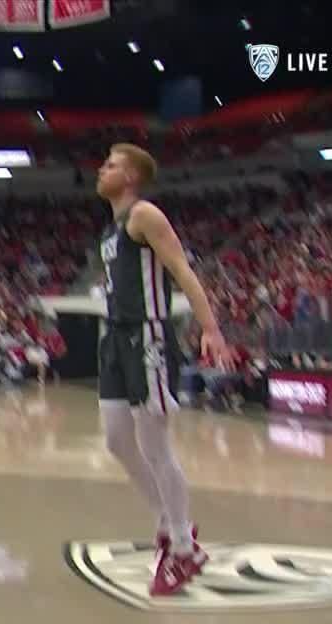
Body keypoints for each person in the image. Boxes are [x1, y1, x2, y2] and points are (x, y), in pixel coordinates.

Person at [94, 143, 231, 597]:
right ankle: (176, 524)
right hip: (115, 338)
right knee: (116, 439)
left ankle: (183, 551)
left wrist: (210, 328)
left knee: (154, 444)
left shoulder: (144, 215)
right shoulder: (111, 228)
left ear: (131, 176)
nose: (101, 169)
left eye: (111, 165)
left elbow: (182, 270)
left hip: (148, 338)